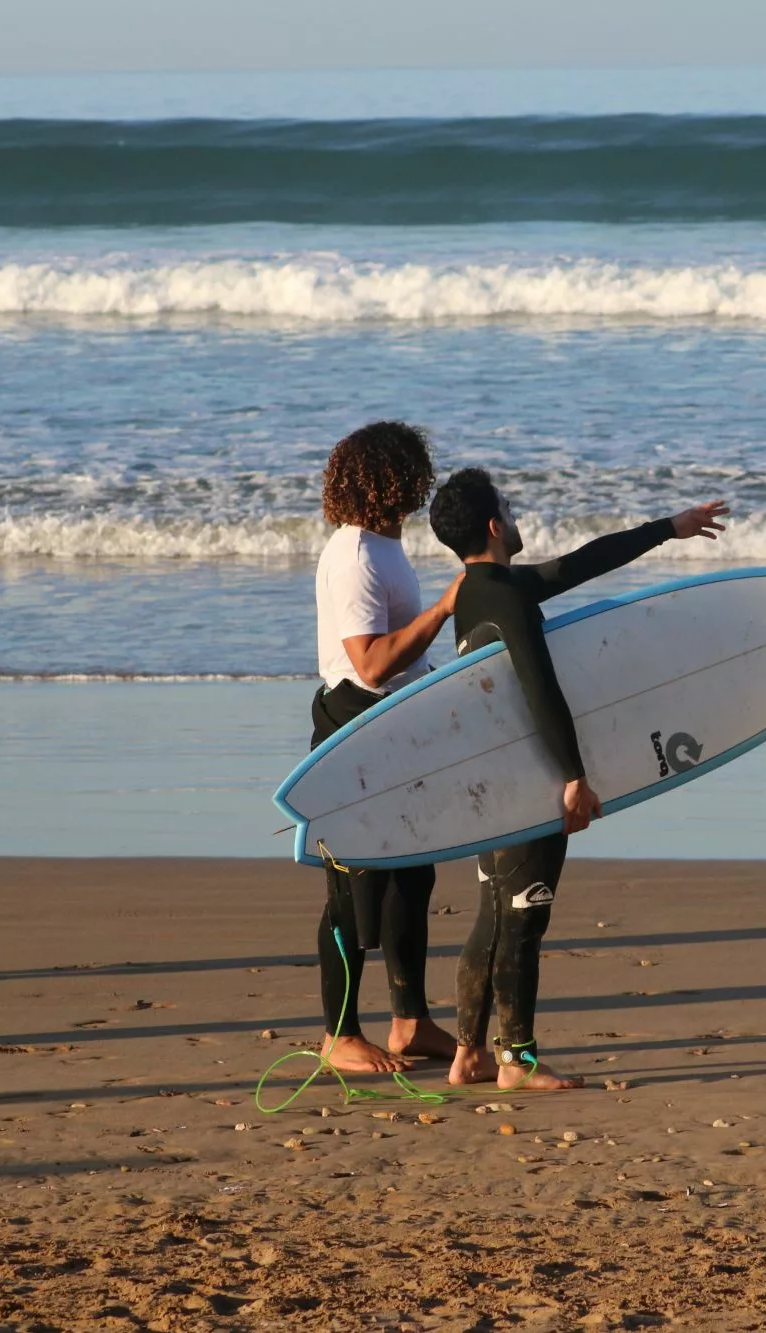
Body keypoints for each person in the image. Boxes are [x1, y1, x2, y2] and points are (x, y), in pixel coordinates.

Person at [427, 468, 729, 1090]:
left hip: (490, 780)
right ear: (493, 526)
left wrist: (668, 530)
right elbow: (541, 693)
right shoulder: (508, 598)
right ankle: (520, 1063)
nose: (515, 515)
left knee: (493, 912)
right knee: (524, 920)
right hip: (530, 777)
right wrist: (572, 777)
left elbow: (578, 565)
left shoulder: (478, 590)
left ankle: (469, 1054)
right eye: (508, 506)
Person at [309, 421, 464, 1074]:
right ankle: (339, 1034)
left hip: (395, 723)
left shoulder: (383, 544)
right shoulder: (355, 557)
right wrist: (447, 606)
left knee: (412, 879)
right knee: (352, 888)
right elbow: (369, 664)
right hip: (355, 726)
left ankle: (410, 1021)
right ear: (393, 478)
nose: (422, 485)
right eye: (415, 473)